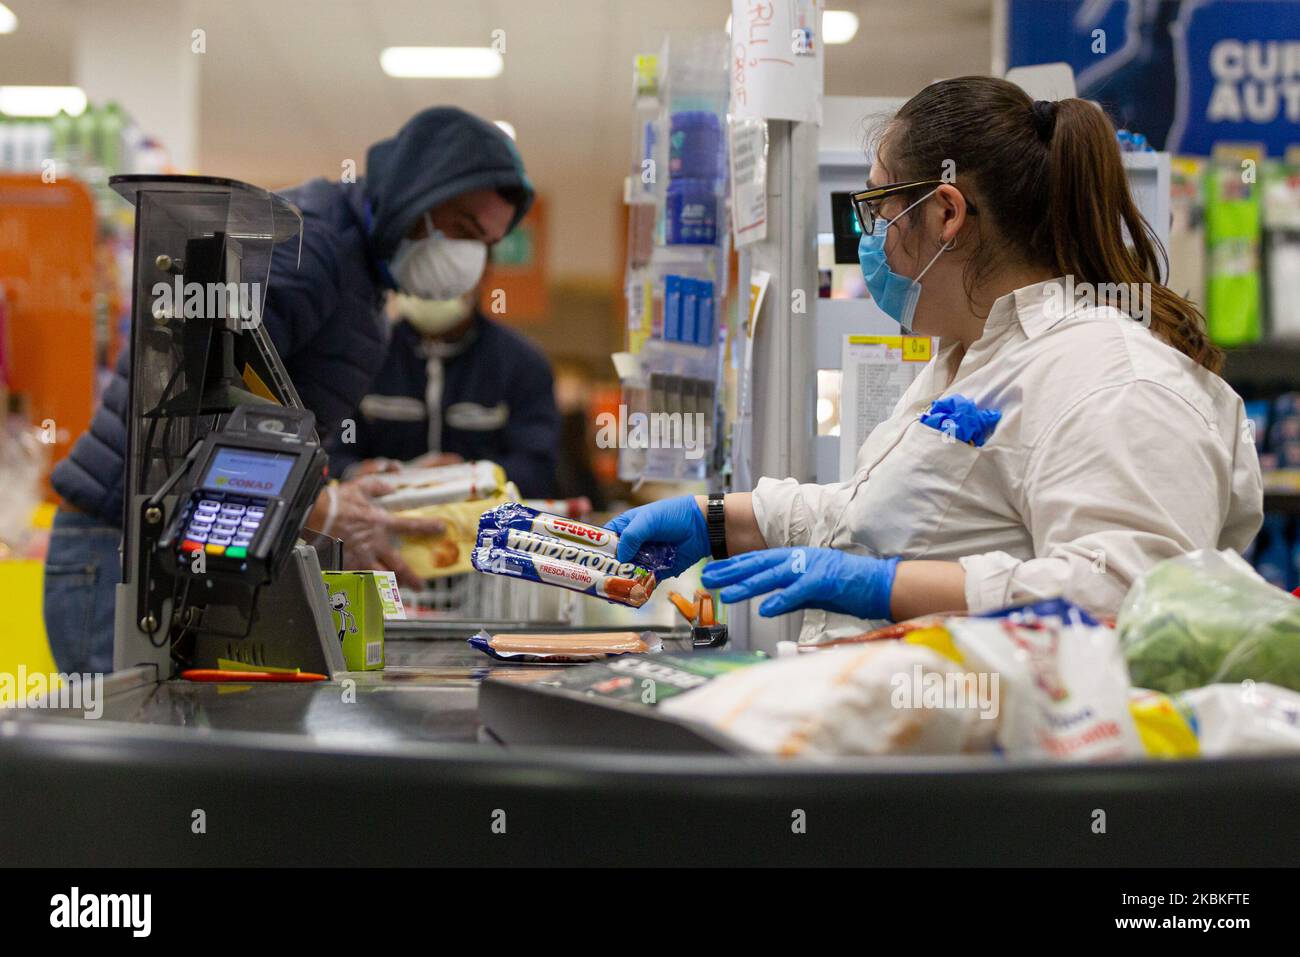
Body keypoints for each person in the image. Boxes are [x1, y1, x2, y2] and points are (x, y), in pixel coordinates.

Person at [607, 76, 1263, 645]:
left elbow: (1132, 597)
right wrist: (718, 518)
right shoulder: (973, 355)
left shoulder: (1117, 379)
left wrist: (889, 587)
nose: (869, 238)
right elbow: (878, 518)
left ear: (945, 211)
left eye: (876, 206)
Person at [45, 106, 534, 673]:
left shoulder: (360, 270)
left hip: (166, 552)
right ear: (419, 193)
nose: (470, 258)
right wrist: (322, 506)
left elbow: (273, 411)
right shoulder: (306, 248)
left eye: (487, 243)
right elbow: (194, 412)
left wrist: (344, 482)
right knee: (131, 750)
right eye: (465, 230)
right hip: (119, 549)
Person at [329, 269, 560, 497]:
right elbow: (330, 454)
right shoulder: (363, 354)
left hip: (483, 525)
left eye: (449, 277)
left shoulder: (521, 363)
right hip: (377, 518)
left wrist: (468, 476)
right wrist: (360, 472)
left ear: (481, 276)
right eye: (424, 274)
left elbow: (537, 469)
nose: (434, 290)